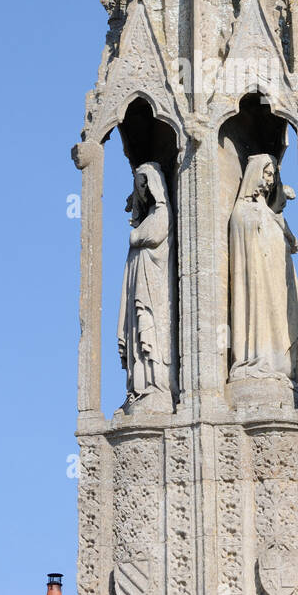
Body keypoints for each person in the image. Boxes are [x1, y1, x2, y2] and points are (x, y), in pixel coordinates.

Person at [228, 153, 298, 387]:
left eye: (272, 175)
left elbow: (287, 238)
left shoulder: (269, 212)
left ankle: (278, 361)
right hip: (257, 277)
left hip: (276, 278)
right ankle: (256, 358)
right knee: (258, 313)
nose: (269, 180)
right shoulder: (244, 209)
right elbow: (244, 236)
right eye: (266, 174)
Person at [117, 162, 176, 411]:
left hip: (154, 285)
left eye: (145, 182)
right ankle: (139, 387)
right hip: (140, 282)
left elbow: (151, 236)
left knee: (150, 332)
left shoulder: (161, 213)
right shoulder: (148, 216)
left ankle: (156, 386)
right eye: (138, 183)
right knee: (138, 333)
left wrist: (135, 236)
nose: (142, 188)